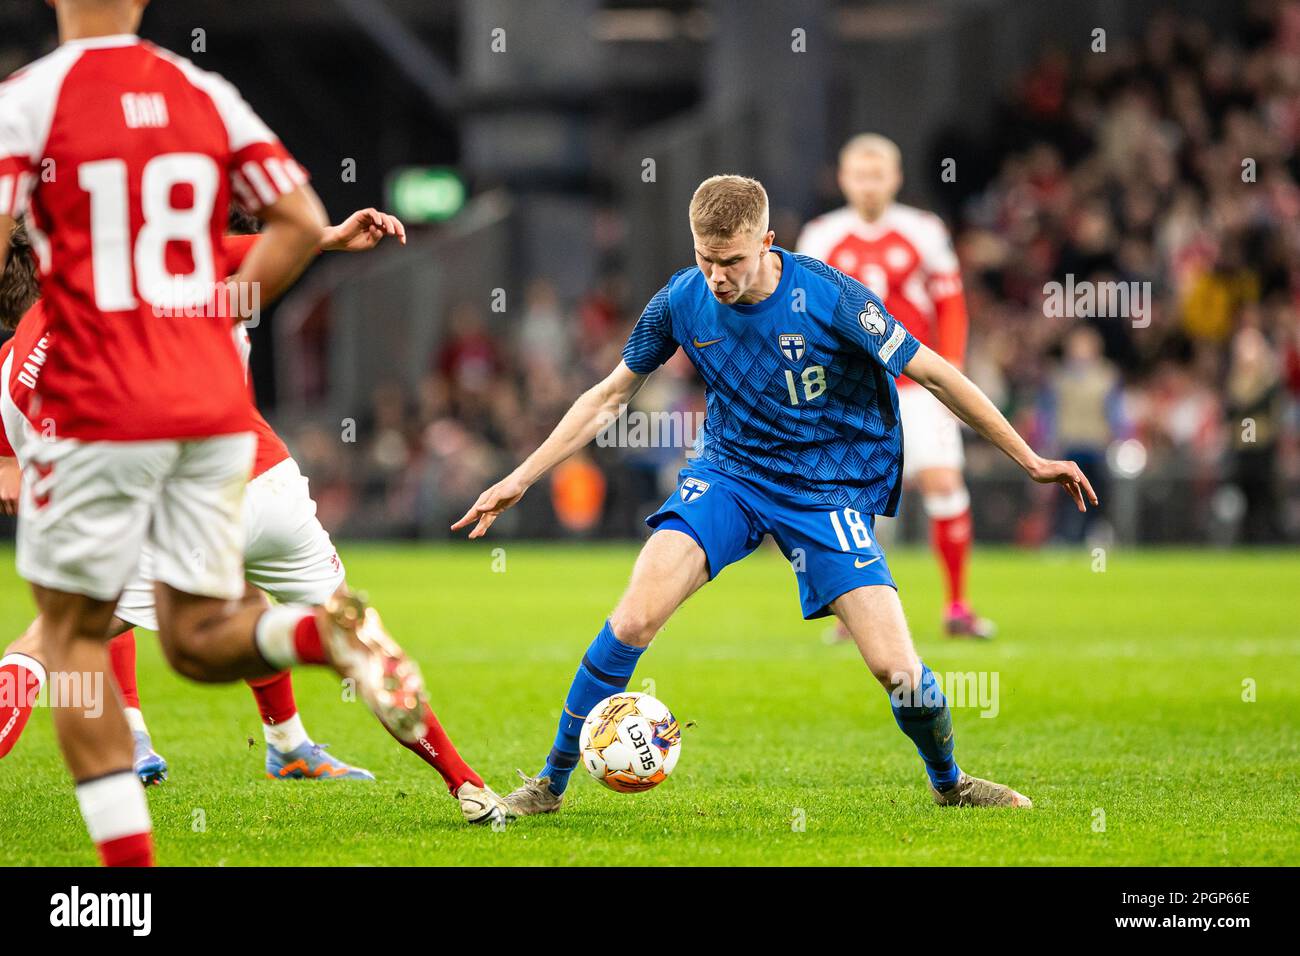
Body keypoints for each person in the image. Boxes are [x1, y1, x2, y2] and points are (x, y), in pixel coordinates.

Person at [454, 174, 1096, 815]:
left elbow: (933, 371)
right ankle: (548, 786)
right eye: (705, 259)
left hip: (826, 488)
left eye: (730, 261)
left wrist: (1029, 458)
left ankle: (950, 781)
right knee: (634, 617)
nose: (717, 277)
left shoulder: (829, 295)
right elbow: (609, 396)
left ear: (767, 242)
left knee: (898, 672)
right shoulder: (682, 299)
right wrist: (519, 478)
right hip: (729, 477)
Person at [0, 0, 424, 865]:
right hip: (204, 408)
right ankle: (309, 635)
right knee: (198, 640)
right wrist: (204, 309)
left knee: (70, 643)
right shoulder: (204, 92)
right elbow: (298, 223)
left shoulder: (25, 102)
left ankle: (129, 877)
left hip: (93, 403)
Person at [0, 215, 509, 824]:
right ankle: (468, 787)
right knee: (363, 640)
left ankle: (197, 721)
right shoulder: (136, 274)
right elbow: (233, 249)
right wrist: (326, 237)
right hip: (272, 486)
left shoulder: (16, 364)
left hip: (194, 503)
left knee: (56, 641)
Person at [797, 134, 992, 638]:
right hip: (850, 391)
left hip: (915, 384)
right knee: (849, 507)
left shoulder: (924, 230)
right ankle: (854, 616)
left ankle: (957, 607)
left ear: (896, 178)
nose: (868, 184)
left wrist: (949, 374)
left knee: (944, 484)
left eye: (878, 174)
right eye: (859, 175)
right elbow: (803, 313)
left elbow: (950, 304)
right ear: (843, 179)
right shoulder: (819, 237)